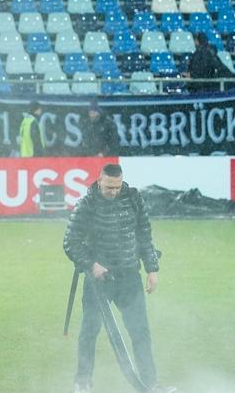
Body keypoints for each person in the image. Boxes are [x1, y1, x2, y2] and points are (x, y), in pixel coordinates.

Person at [64, 164, 173, 393]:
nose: (113, 191)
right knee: (89, 331)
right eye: (108, 186)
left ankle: (151, 384)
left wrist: (152, 269)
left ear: (122, 181)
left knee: (140, 332)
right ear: (99, 180)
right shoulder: (87, 204)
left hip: (129, 277)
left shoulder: (134, 199)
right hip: (98, 283)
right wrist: (91, 265)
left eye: (117, 186)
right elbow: (70, 242)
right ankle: (82, 383)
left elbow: (144, 234)